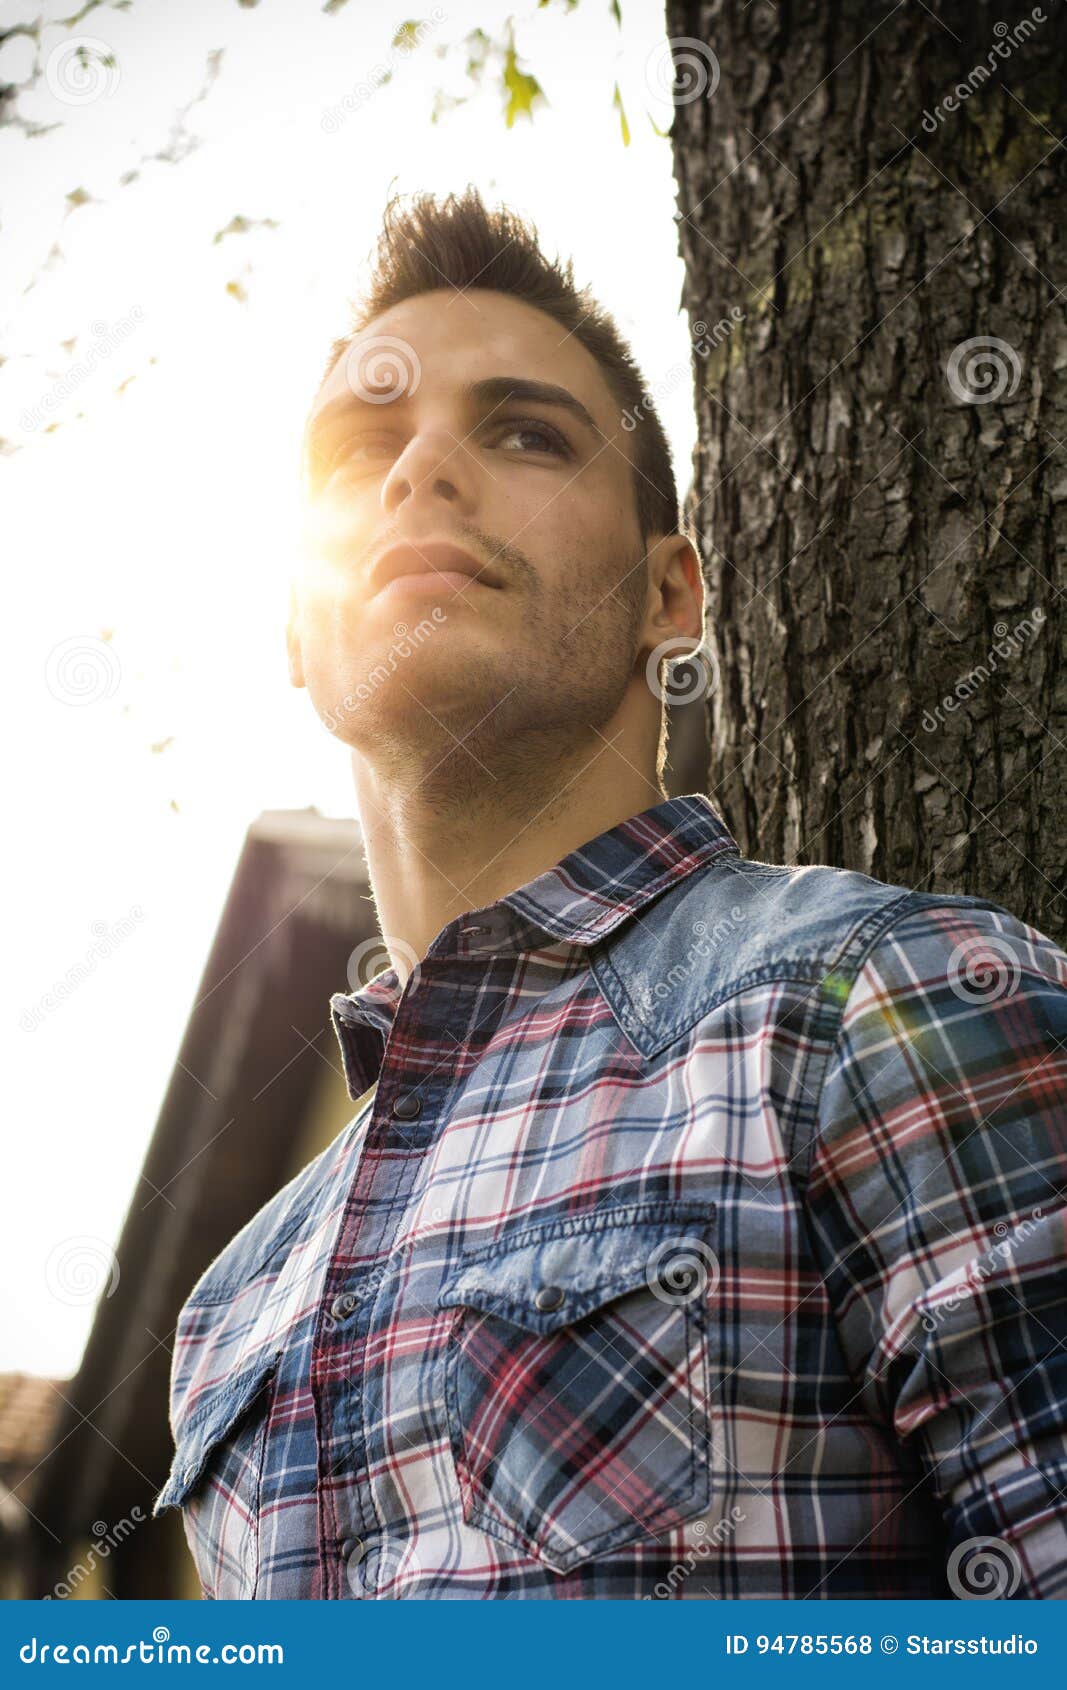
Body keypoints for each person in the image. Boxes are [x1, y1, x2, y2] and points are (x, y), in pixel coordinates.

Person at [152, 186, 1067, 1600]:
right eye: (363, 447)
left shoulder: (886, 1002)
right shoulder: (229, 1309)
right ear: (294, 621)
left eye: (523, 429)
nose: (423, 473)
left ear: (671, 593)